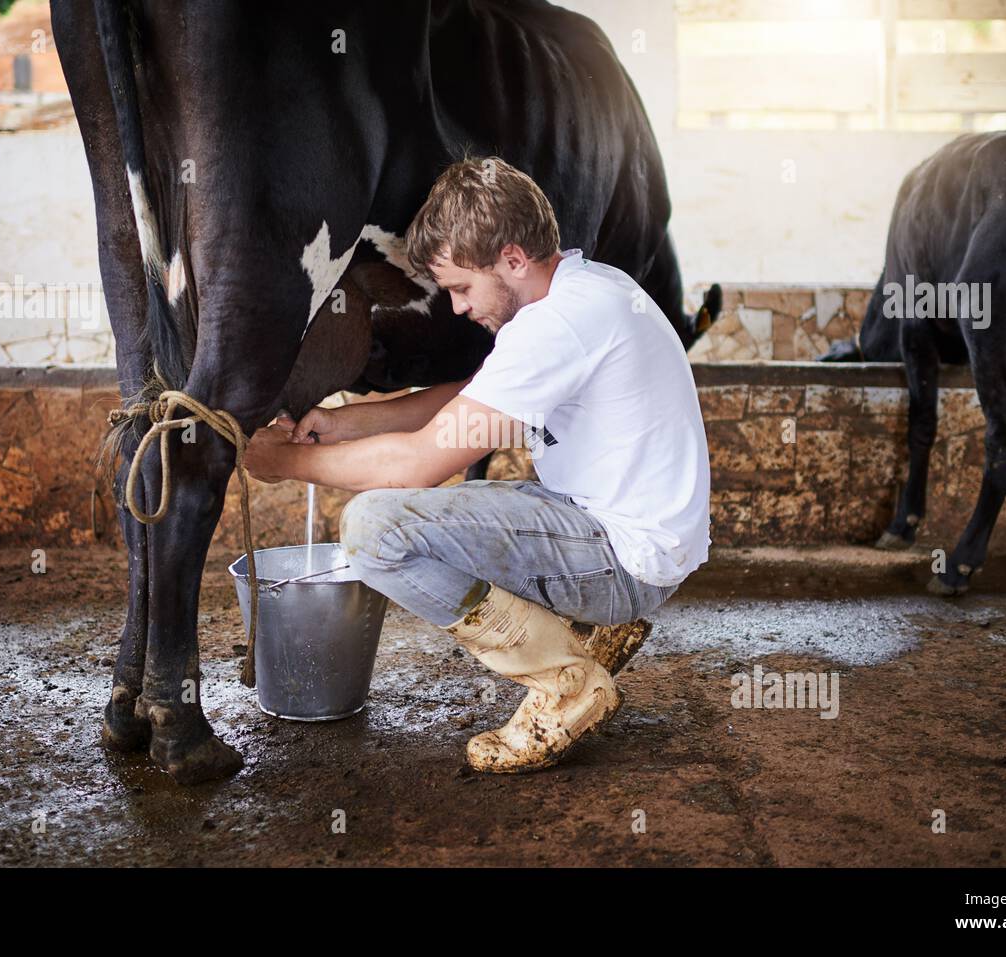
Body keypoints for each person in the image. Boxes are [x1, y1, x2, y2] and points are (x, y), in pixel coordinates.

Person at [244, 157, 710, 773]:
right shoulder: (585, 288)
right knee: (471, 506)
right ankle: (589, 634)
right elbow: (471, 398)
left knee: (375, 529)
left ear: (513, 259)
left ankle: (566, 678)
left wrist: (286, 462)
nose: (459, 308)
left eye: (463, 288)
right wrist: (348, 420)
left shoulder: (560, 325)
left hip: (624, 559)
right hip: (622, 532)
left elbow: (417, 465)